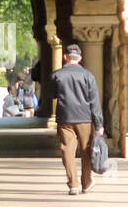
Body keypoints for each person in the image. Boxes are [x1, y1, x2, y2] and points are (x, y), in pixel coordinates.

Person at [37, 44, 105, 195]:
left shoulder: (57, 76)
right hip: (84, 118)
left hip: (65, 117)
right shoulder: (88, 76)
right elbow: (94, 101)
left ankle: (72, 184)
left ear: (65, 57)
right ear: (80, 58)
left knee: (67, 149)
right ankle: (86, 182)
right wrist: (99, 123)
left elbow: (50, 95)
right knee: (86, 150)